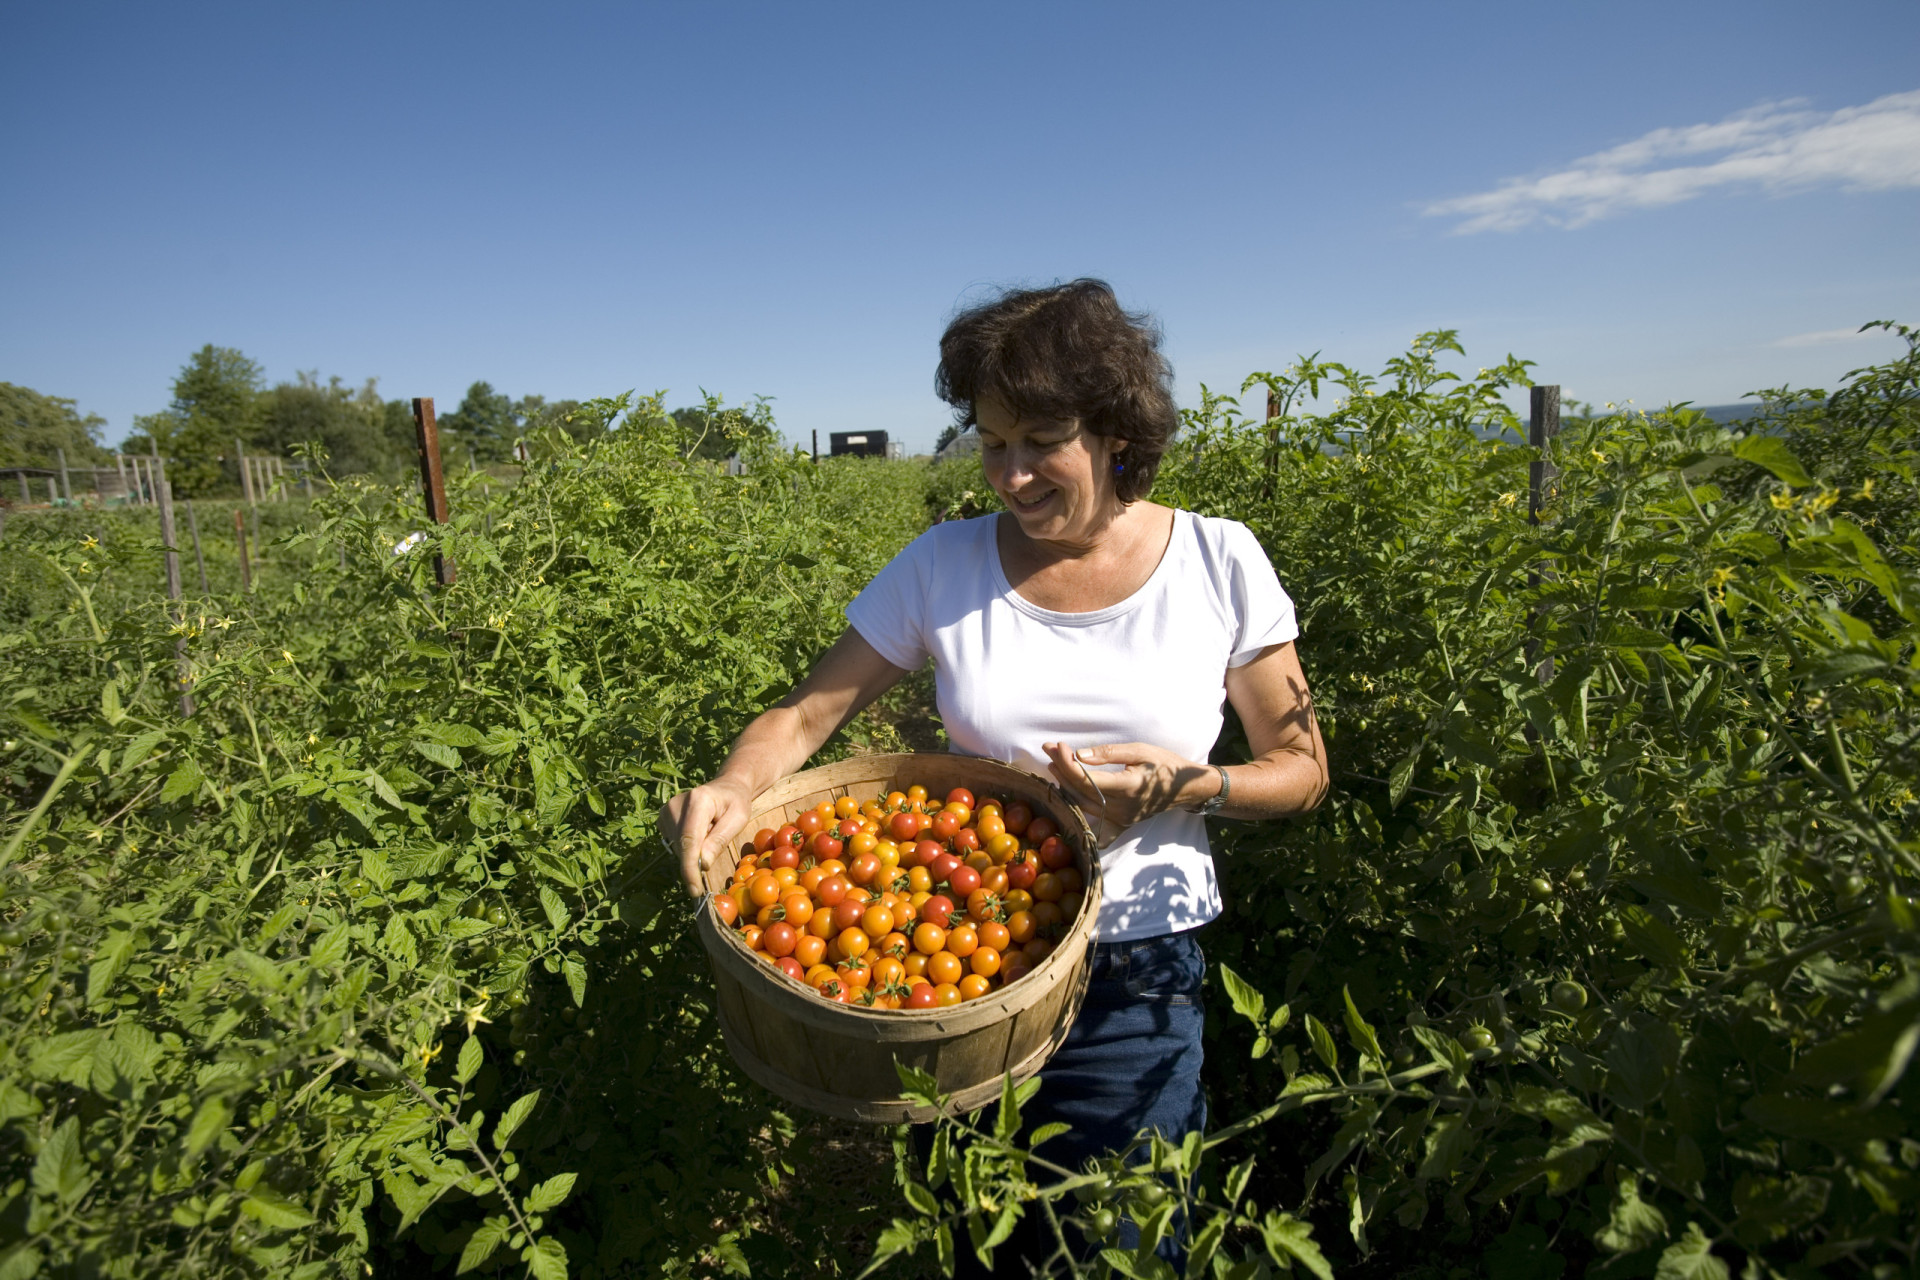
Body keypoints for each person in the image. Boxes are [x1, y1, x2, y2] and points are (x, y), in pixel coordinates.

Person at [662, 279, 1327, 1274]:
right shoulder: (944, 563)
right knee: (978, 1240)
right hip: (958, 983)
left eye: (1040, 440)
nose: (1010, 475)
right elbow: (808, 712)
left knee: (1126, 1242)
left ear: (1114, 431)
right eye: (991, 442)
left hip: (1135, 976)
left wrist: (1192, 784)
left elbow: (1302, 767)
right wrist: (734, 780)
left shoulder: (1220, 561)